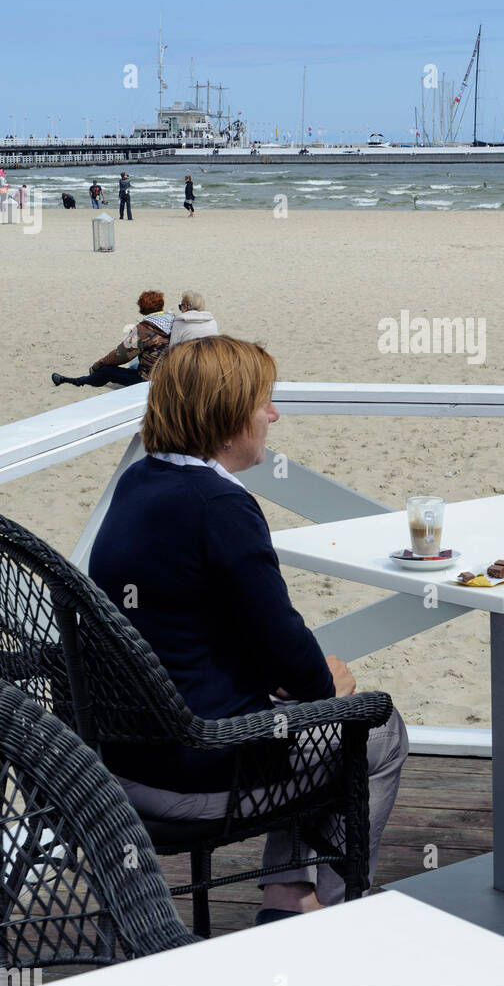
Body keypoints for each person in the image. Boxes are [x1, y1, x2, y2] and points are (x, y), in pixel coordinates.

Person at [87, 336, 408, 923]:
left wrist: (293, 679)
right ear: (229, 417)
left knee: (306, 714)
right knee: (378, 728)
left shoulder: (141, 482)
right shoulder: (220, 506)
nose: (274, 415)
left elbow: (194, 619)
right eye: (264, 402)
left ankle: (291, 893)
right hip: (195, 770)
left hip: (118, 756)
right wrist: (319, 681)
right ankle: (326, 919)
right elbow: (288, 651)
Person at [51, 290, 173, 388]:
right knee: (136, 362)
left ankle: (76, 382)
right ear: (162, 306)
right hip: (171, 376)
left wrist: (98, 364)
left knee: (106, 371)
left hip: (151, 380)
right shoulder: (174, 321)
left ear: (142, 309)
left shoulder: (143, 329)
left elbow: (120, 355)